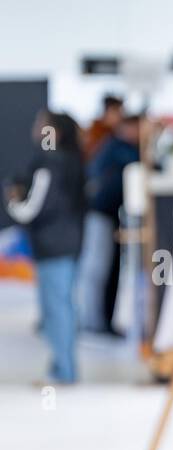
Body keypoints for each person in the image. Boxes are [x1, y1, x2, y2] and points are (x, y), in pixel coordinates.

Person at [5, 111, 85, 384]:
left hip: (54, 243)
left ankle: (64, 371)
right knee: (64, 305)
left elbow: (31, 208)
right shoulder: (73, 160)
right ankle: (64, 367)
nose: (36, 128)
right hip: (71, 239)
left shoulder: (48, 164)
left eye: (42, 124)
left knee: (56, 308)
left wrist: (13, 203)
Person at [79, 113, 141, 337]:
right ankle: (92, 322)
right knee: (97, 270)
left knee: (109, 271)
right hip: (99, 214)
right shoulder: (118, 148)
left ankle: (101, 321)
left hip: (110, 215)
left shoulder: (117, 147)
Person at [81, 95, 123, 164]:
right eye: (117, 111)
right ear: (107, 111)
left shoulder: (115, 131)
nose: (121, 115)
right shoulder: (96, 130)